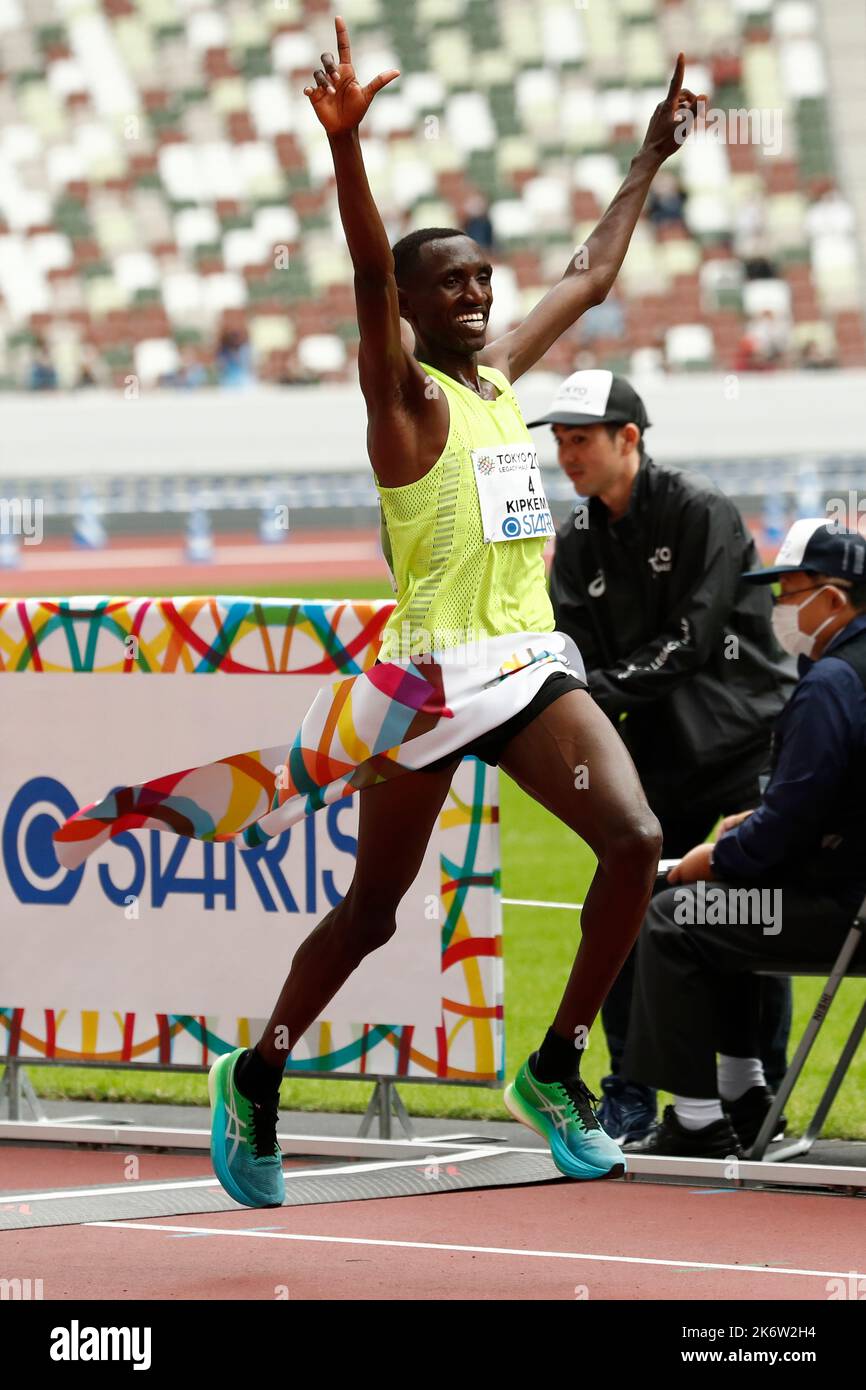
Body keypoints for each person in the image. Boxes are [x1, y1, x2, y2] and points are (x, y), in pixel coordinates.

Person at [54, 19, 703, 1205]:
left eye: (479, 278)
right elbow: (361, 271)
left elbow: (591, 274)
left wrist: (647, 158)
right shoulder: (401, 401)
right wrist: (347, 153)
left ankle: (553, 1067)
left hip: (521, 666)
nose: (474, 291)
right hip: (420, 680)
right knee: (370, 915)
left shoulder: (502, 371)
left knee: (635, 838)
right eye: (447, 280)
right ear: (402, 302)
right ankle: (256, 1073)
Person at [531, 370, 795, 1140]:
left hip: (741, 739)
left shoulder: (700, 509)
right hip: (650, 748)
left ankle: (755, 1093)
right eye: (560, 440)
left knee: (744, 908)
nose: (567, 454)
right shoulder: (578, 539)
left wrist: (599, 688)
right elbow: (568, 647)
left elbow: (696, 635)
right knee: (626, 909)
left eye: (581, 438)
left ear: (629, 439)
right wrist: (578, 694)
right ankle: (631, 1089)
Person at [620, 518, 866, 1156]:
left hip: (845, 912)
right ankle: (747, 1094)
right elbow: (816, 804)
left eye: (789, 591)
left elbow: (785, 827)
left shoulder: (834, 682)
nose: (779, 607)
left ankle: (698, 1122)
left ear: (833, 599)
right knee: (730, 897)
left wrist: (715, 856)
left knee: (678, 914)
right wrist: (752, 836)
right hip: (848, 893)